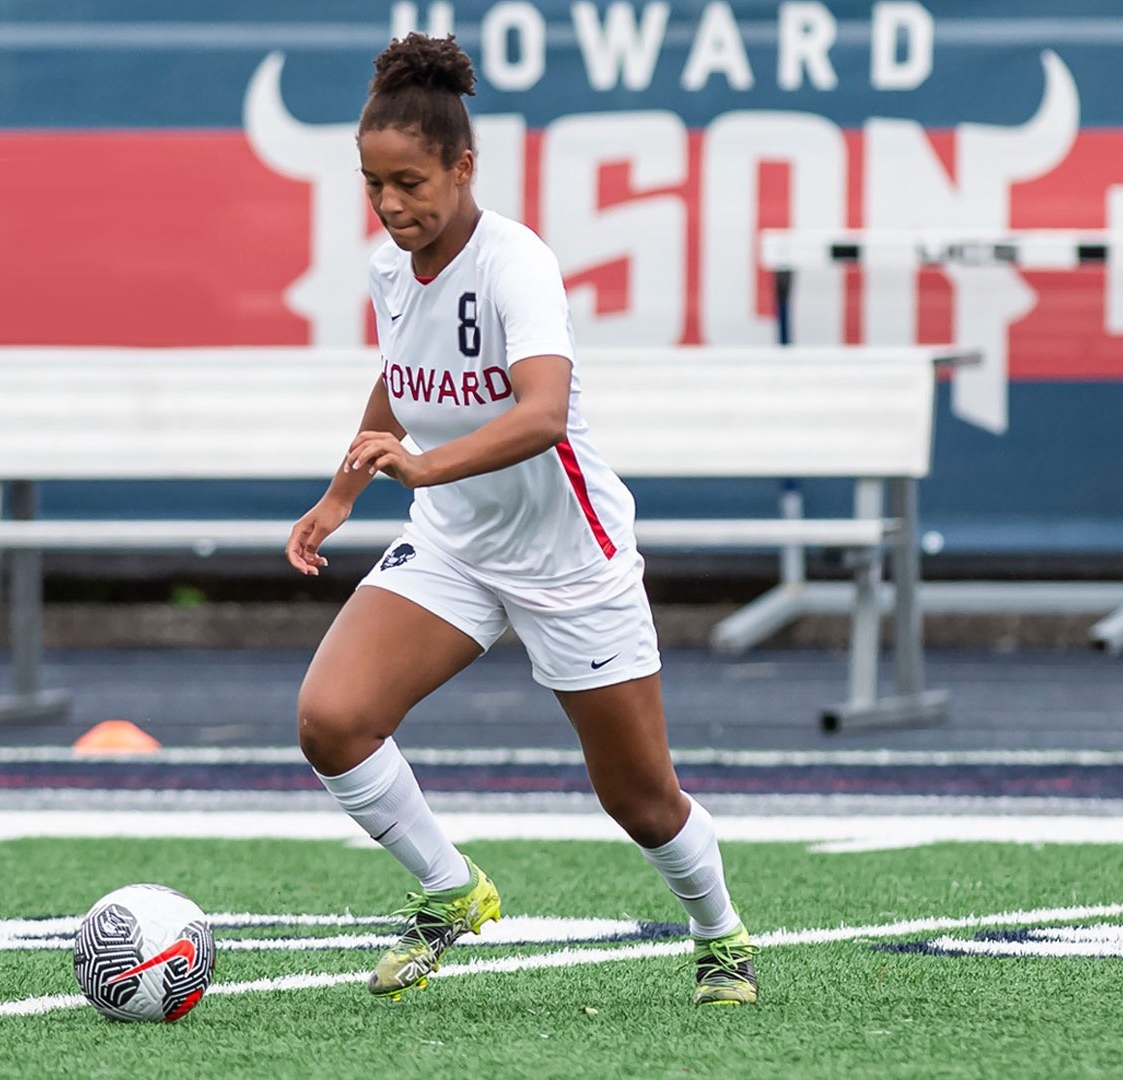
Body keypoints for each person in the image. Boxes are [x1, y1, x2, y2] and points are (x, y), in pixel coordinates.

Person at [285, 32, 758, 1007]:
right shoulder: (390, 268)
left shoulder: (517, 263)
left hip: (565, 556)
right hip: (457, 542)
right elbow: (403, 377)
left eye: (410, 181)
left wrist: (421, 464)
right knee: (333, 721)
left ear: (464, 166)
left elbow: (542, 414)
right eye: (375, 184)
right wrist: (342, 493)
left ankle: (720, 936)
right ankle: (450, 892)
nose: (392, 204)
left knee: (639, 797)